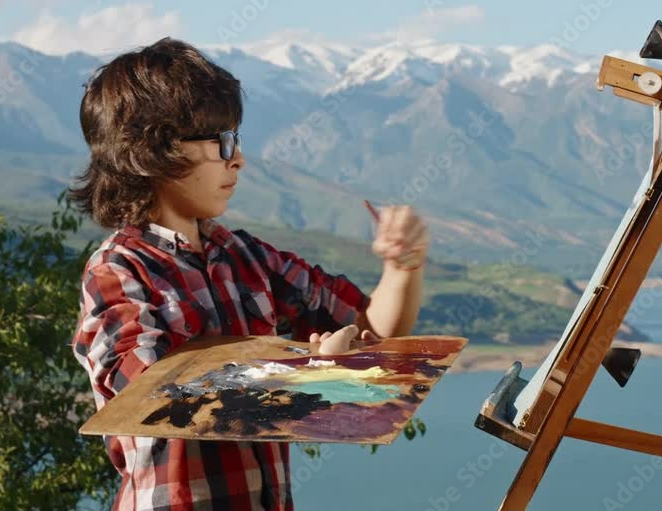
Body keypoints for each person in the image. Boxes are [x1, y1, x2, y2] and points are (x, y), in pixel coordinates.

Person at [68, 37, 429, 510]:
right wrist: (300, 368)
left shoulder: (248, 258)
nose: (237, 158)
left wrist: (403, 267)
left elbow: (371, 328)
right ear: (150, 151)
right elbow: (155, 393)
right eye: (220, 142)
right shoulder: (118, 270)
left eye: (234, 140)